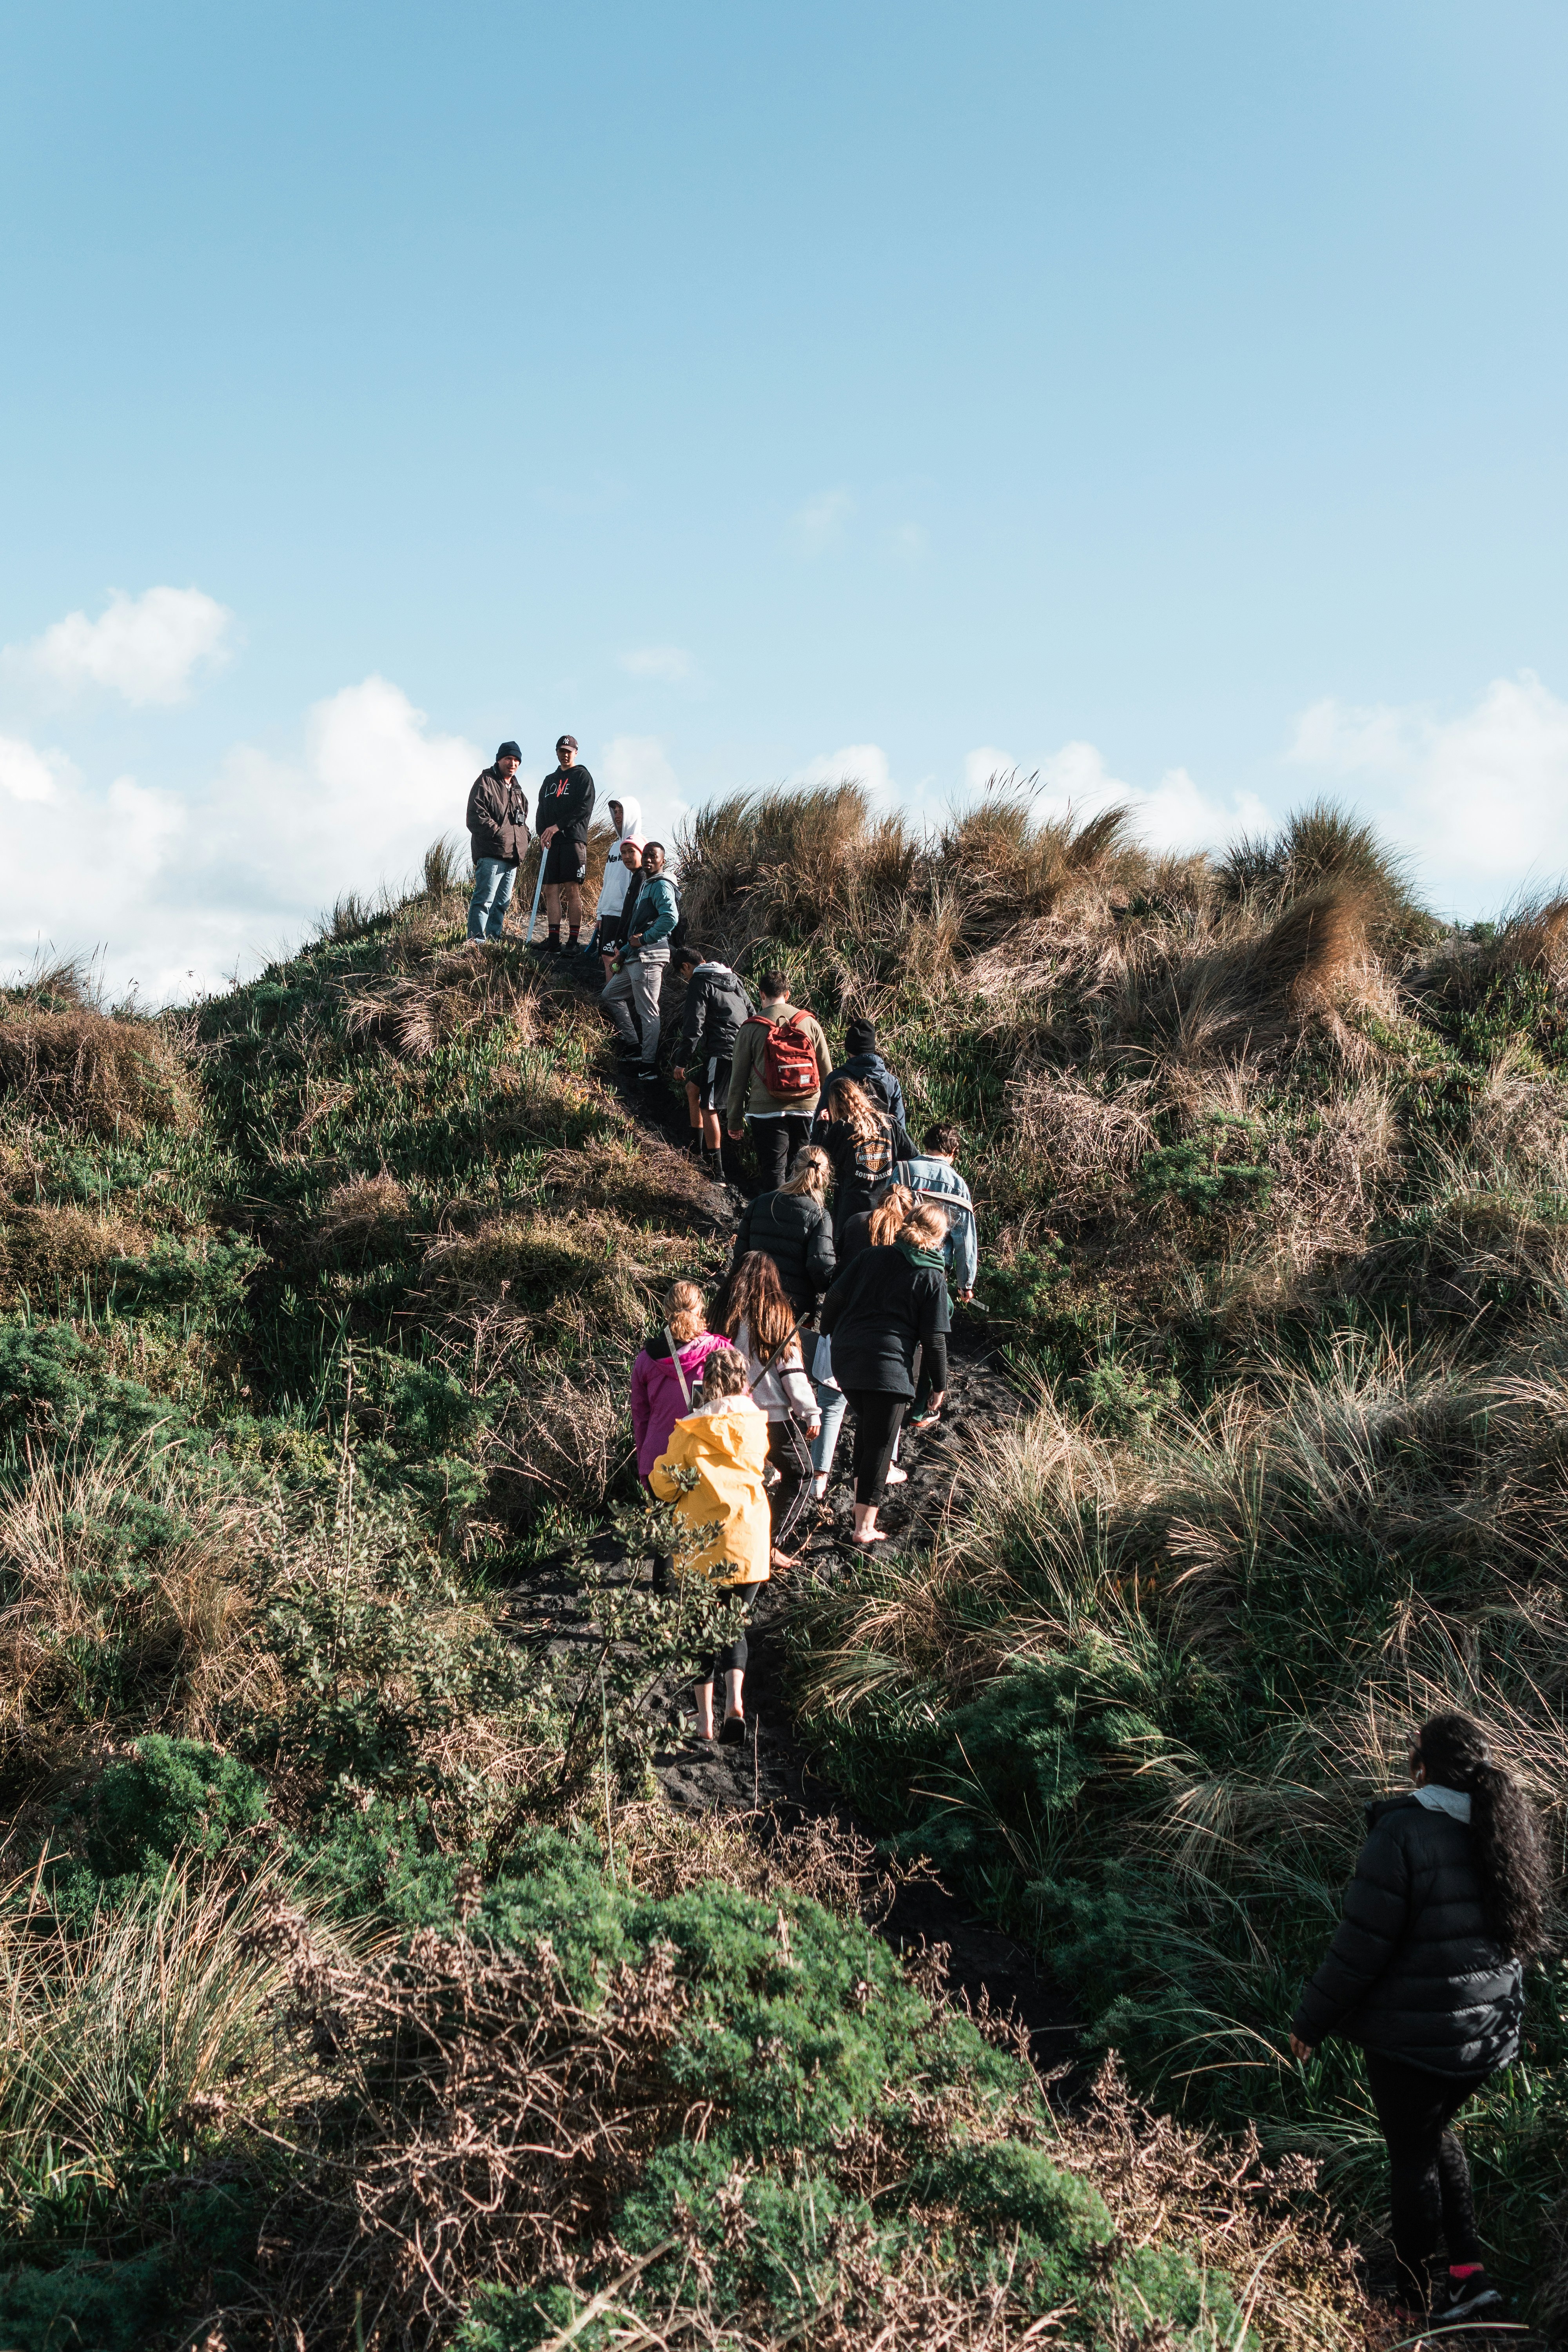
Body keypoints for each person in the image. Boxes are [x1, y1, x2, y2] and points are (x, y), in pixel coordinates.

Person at [1290, 1712, 1547, 2327]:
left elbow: (1361, 1946)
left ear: (1420, 1763)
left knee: (1411, 2161)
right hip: (1484, 2037)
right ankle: (1468, 2279)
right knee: (1432, 2138)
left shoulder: (1401, 1832)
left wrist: (1311, 2021)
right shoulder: (1499, 1827)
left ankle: (1405, 2304)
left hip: (1417, 2037)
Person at [648, 1344, 771, 1743]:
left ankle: (704, 1722)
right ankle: (735, 1703)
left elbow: (663, 1484)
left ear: (708, 1382)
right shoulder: (757, 1426)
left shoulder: (690, 1431)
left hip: (701, 1548)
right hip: (749, 1540)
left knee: (699, 1632)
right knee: (733, 1626)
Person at [818, 1203, 950, 1549]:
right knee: (879, 1446)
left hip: (847, 1361)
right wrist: (939, 1386)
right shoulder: (932, 1277)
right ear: (939, 1238)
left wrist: (829, 1334)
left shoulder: (871, 1257)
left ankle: (860, 1511)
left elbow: (834, 1297)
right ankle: (864, 1528)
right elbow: (934, 1340)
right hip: (888, 1367)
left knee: (869, 1429)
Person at [722, 1250, 820, 1566]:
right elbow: (792, 1371)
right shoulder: (776, 1315)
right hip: (771, 1416)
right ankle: (769, 1544)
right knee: (802, 1473)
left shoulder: (722, 1314)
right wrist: (810, 1411)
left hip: (730, 1414)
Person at [725, 970, 832, 1192]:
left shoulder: (751, 1027)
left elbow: (738, 1080)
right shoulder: (809, 1023)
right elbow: (827, 1072)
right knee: (805, 1167)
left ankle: (777, 1221)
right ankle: (805, 1219)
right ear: (788, 994)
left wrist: (734, 1120)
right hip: (807, 1108)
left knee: (774, 1169)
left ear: (761, 994)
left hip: (766, 1110)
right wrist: (830, 1109)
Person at [630, 1280, 731, 1488]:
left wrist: (644, 1468)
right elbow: (742, 1407)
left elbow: (641, 1419)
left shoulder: (646, 1360)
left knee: (667, 1521)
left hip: (659, 1463)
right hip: (707, 1463)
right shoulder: (722, 1350)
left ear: (666, 1312)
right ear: (701, 1309)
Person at [600, 842, 679, 1084]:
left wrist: (644, 940)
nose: (647, 860)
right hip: (636, 957)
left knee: (648, 1012)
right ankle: (634, 1047)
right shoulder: (648, 885)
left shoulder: (661, 885)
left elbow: (670, 918)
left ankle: (648, 1065)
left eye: (653, 856)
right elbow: (638, 929)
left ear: (662, 861)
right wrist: (624, 952)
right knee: (610, 995)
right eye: (645, 855)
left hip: (649, 957)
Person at [726, 1144, 835, 1313]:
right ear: (825, 1176)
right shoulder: (820, 1216)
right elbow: (821, 1265)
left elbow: (740, 1257)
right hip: (793, 1312)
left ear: (794, 1168)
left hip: (753, 1304)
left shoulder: (759, 1203)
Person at [673, 946, 752, 1178]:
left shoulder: (699, 982)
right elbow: (751, 1011)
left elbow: (693, 1026)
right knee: (693, 1089)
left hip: (722, 1052)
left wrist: (681, 1062)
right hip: (741, 1047)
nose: (685, 978)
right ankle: (695, 1151)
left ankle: (716, 1172)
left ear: (687, 967)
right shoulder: (732, 978)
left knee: (709, 1106)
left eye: (682, 973)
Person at [879, 1124, 977, 1302]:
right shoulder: (958, 1185)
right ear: (954, 1150)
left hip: (899, 1253)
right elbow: (964, 1238)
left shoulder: (903, 1170)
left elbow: (886, 1214)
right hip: (935, 1263)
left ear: (927, 1144)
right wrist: (966, 1284)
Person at [818, 1076, 918, 1246]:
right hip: (888, 1209)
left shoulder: (841, 1128)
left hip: (851, 1210)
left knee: (851, 1262)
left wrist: (822, 1127)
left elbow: (819, 1161)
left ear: (835, 1104)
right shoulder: (889, 1123)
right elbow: (913, 1158)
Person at [532, 734, 596, 953]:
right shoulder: (549, 780)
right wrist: (543, 833)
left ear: (576, 752)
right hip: (551, 843)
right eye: (562, 750)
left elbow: (584, 808)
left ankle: (574, 941)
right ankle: (553, 939)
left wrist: (558, 826)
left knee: (572, 889)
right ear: (557, 752)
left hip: (573, 840)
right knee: (550, 889)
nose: (565, 754)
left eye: (569, 751)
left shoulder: (582, 776)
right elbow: (541, 809)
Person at [464, 741, 530, 942]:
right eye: (509, 758)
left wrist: (524, 837)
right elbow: (475, 816)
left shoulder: (518, 790)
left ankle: (493, 940)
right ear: (499, 759)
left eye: (517, 760)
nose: (513, 763)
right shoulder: (486, 782)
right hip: (492, 854)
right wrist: (499, 834)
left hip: (513, 856)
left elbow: (522, 820)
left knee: (502, 902)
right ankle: (476, 941)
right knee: (484, 900)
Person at [814, 1017, 908, 1132]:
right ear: (872, 1047)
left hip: (846, 1148)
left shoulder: (836, 1080)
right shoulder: (890, 1081)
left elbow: (821, 1121)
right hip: (885, 1147)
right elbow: (900, 1128)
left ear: (848, 1049)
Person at [593, 797, 643, 978]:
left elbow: (640, 881)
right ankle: (609, 1000)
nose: (617, 816)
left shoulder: (640, 845)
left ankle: (615, 1000)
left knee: (617, 957)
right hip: (609, 912)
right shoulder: (615, 847)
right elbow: (607, 881)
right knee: (606, 957)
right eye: (615, 812)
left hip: (624, 913)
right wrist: (600, 914)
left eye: (621, 811)